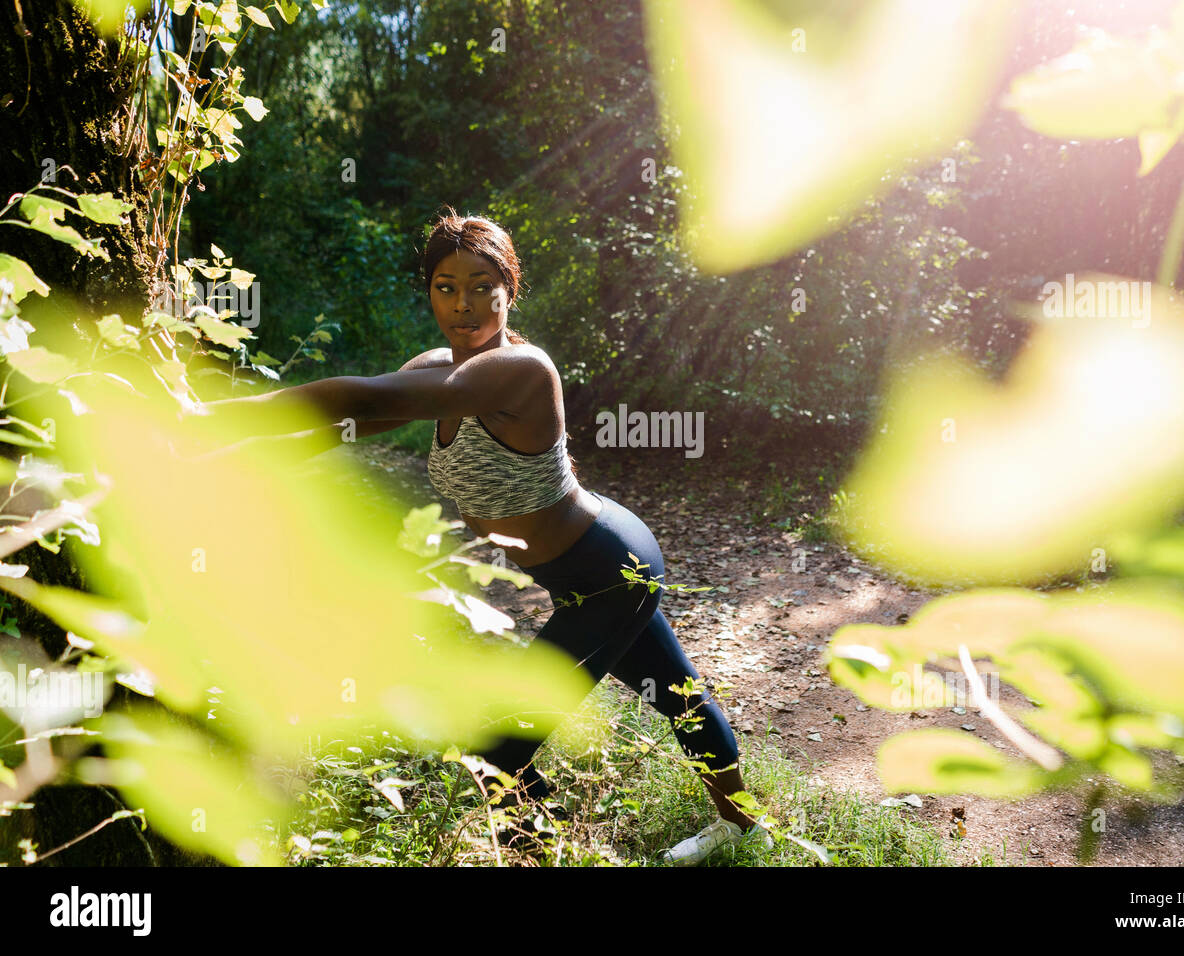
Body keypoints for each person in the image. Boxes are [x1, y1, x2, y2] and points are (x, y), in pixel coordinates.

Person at [190, 208, 771, 865]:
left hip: (611, 569)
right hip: (583, 571)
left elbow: (362, 399)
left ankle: (548, 849)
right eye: (445, 286)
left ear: (509, 290)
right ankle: (746, 826)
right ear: (429, 291)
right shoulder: (437, 368)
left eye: (481, 286)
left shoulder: (520, 371)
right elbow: (344, 428)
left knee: (501, 744)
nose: (462, 304)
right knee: (676, 693)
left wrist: (203, 416)